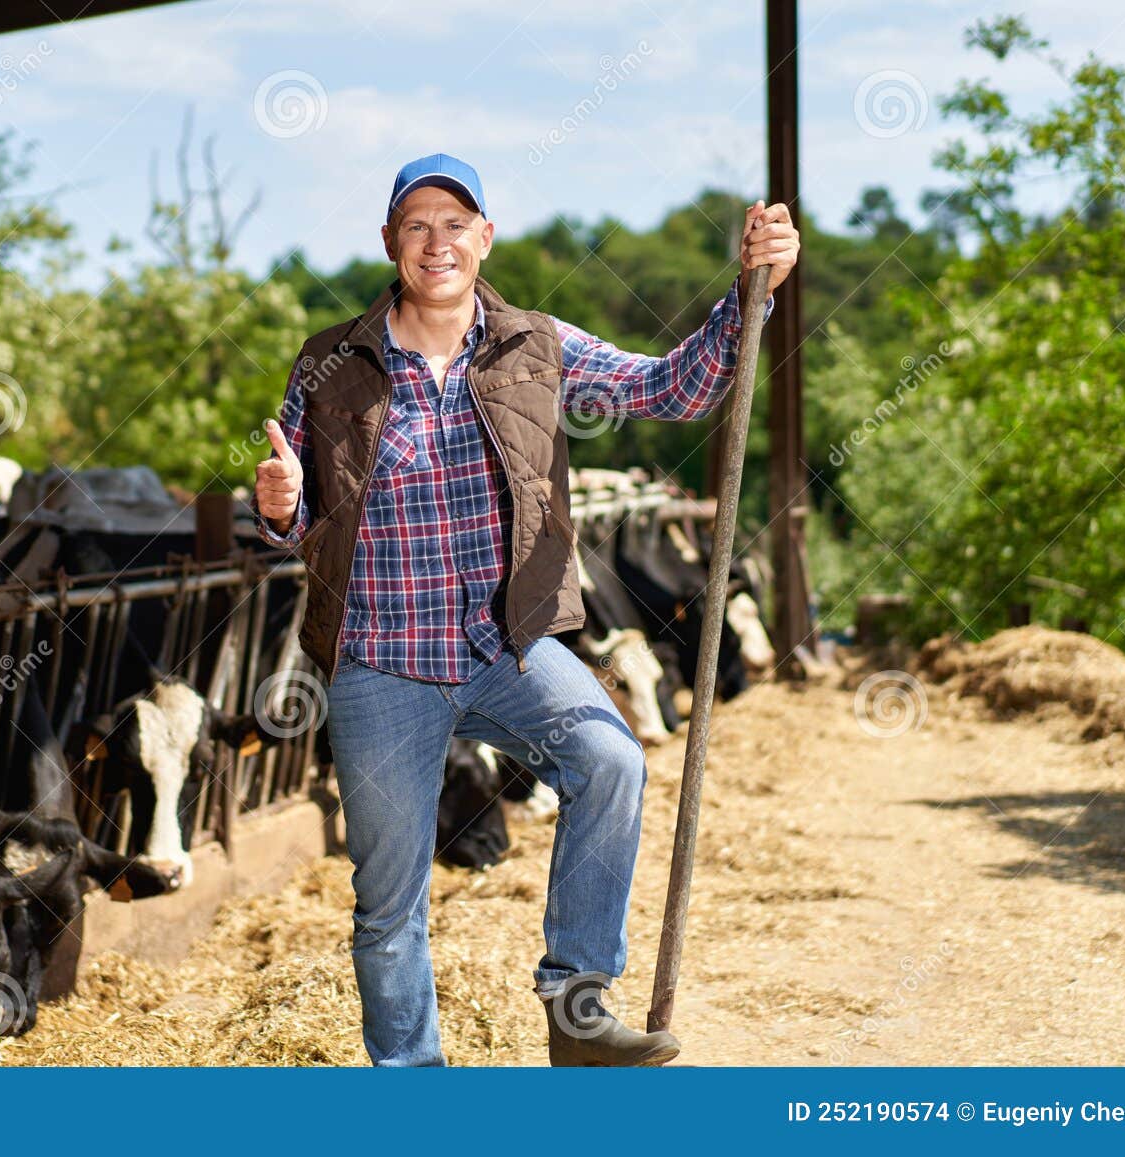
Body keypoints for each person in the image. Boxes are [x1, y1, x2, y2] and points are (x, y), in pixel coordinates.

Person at [253, 153, 799, 1066]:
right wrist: (277, 505)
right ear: (390, 242)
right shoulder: (329, 364)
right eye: (417, 224)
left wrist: (750, 292)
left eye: (455, 222)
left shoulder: (535, 345)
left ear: (485, 237)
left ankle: (577, 1004)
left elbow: (672, 388)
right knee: (389, 900)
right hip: (379, 659)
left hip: (506, 642)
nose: (438, 242)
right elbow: (297, 513)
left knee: (612, 761)